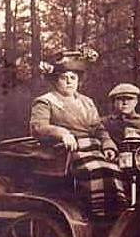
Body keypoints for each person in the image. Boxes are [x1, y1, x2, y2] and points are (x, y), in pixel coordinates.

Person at [29, 49, 128, 218]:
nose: (69, 82)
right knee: (96, 170)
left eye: (73, 78)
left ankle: (115, 213)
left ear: (78, 81)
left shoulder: (87, 102)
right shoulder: (46, 101)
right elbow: (38, 127)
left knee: (116, 168)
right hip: (65, 151)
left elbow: (98, 128)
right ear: (55, 80)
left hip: (93, 149)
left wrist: (108, 145)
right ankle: (96, 213)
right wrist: (62, 133)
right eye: (64, 78)